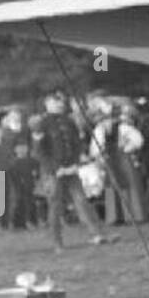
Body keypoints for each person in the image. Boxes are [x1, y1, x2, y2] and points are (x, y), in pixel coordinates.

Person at [40, 91, 111, 250]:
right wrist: (55, 168)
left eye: (61, 101)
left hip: (71, 169)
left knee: (81, 201)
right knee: (56, 206)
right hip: (53, 172)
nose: (60, 104)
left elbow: (76, 144)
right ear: (47, 103)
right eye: (55, 101)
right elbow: (39, 151)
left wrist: (75, 164)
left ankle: (96, 234)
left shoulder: (68, 121)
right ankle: (57, 242)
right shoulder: (41, 124)